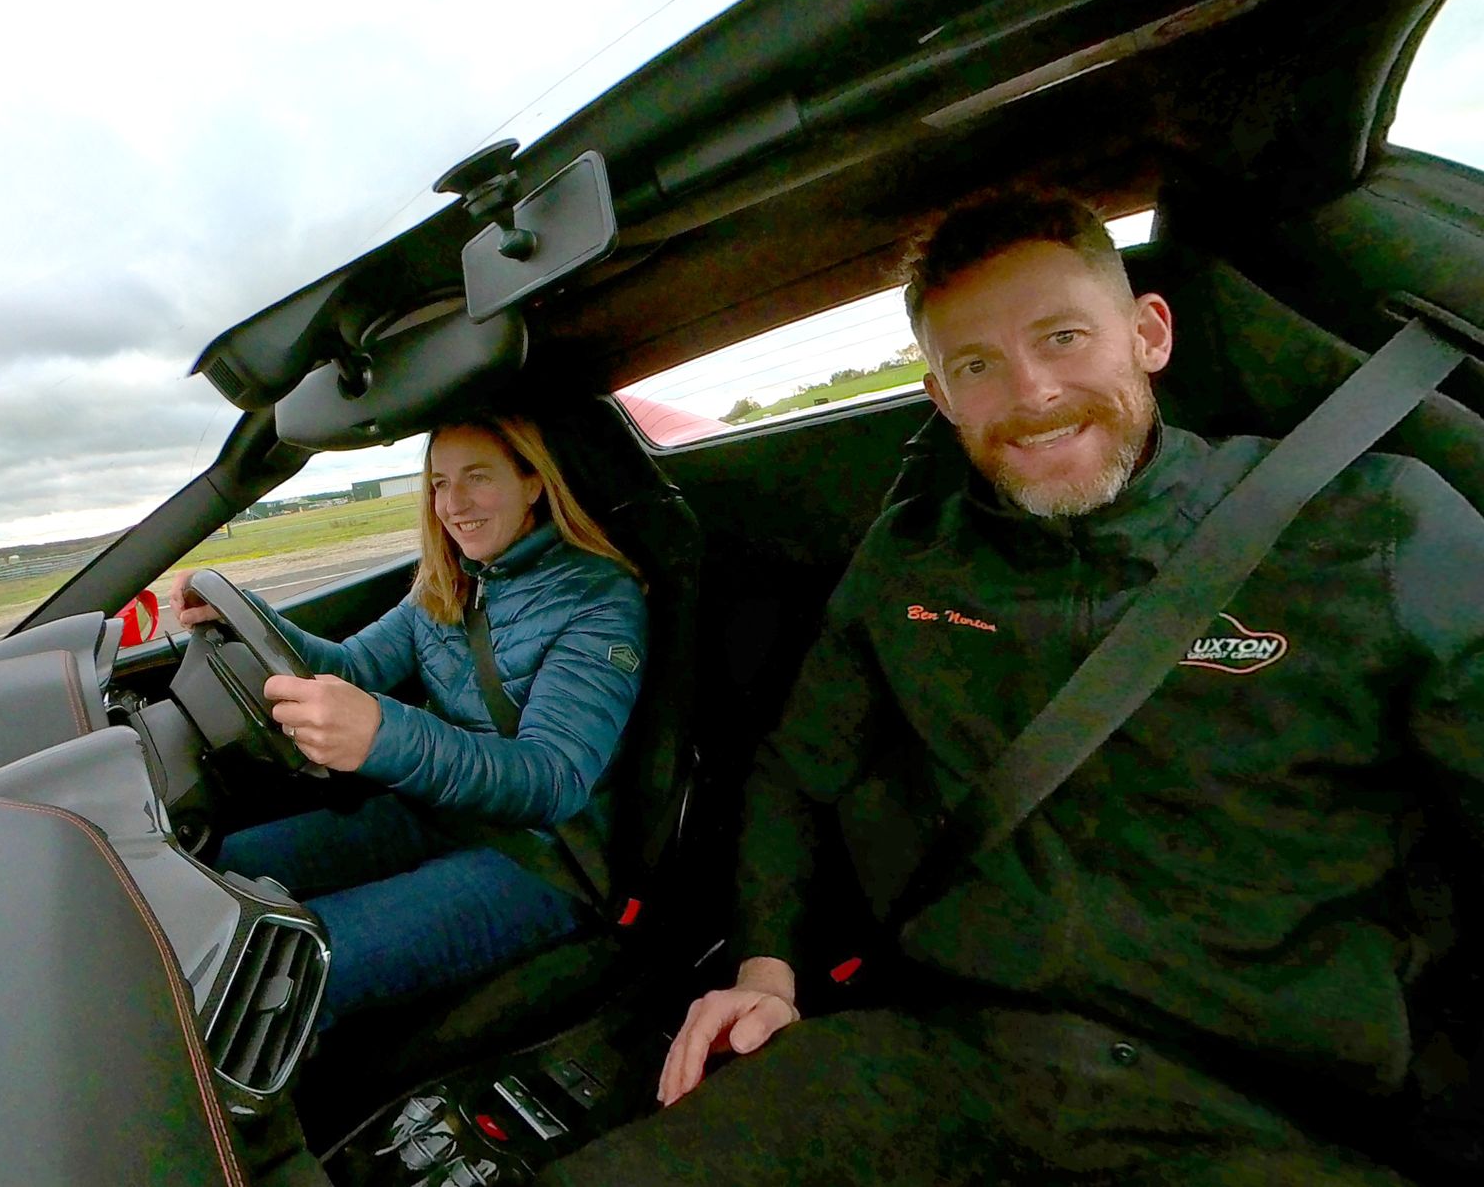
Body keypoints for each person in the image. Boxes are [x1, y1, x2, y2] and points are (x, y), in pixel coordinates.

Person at [545, 194, 1484, 1185]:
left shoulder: (1375, 531)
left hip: (1261, 1109)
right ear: (943, 398)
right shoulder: (908, 565)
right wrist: (766, 970)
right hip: (954, 1053)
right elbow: (794, 769)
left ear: (1148, 334)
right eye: (978, 366)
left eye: (1064, 337)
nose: (1032, 392)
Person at [172, 414, 646, 1026]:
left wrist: (383, 735)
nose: (455, 504)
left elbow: (551, 779)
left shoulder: (598, 599)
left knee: (287, 968)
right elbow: (352, 665)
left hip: (541, 857)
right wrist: (245, 614)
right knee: (230, 867)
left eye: (478, 477)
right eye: (440, 483)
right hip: (438, 811)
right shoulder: (446, 582)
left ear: (533, 483)